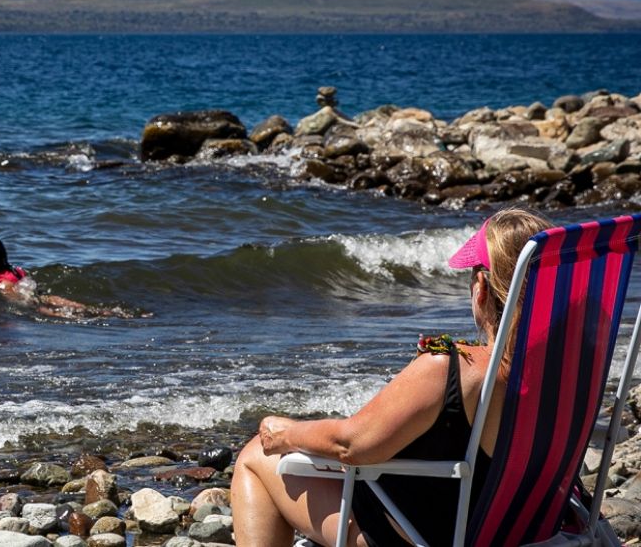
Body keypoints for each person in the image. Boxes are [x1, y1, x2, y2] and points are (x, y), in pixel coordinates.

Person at [230, 207, 555, 547]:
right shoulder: (567, 372)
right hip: (528, 529)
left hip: (430, 535)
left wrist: (286, 433)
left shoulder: (455, 368)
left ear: (482, 287)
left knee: (255, 456)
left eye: (473, 272)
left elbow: (351, 444)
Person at [0, 238, 93, 318]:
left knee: (39, 308)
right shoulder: (17, 271)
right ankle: (95, 311)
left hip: (10, 289)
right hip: (31, 288)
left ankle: (73, 318)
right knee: (50, 299)